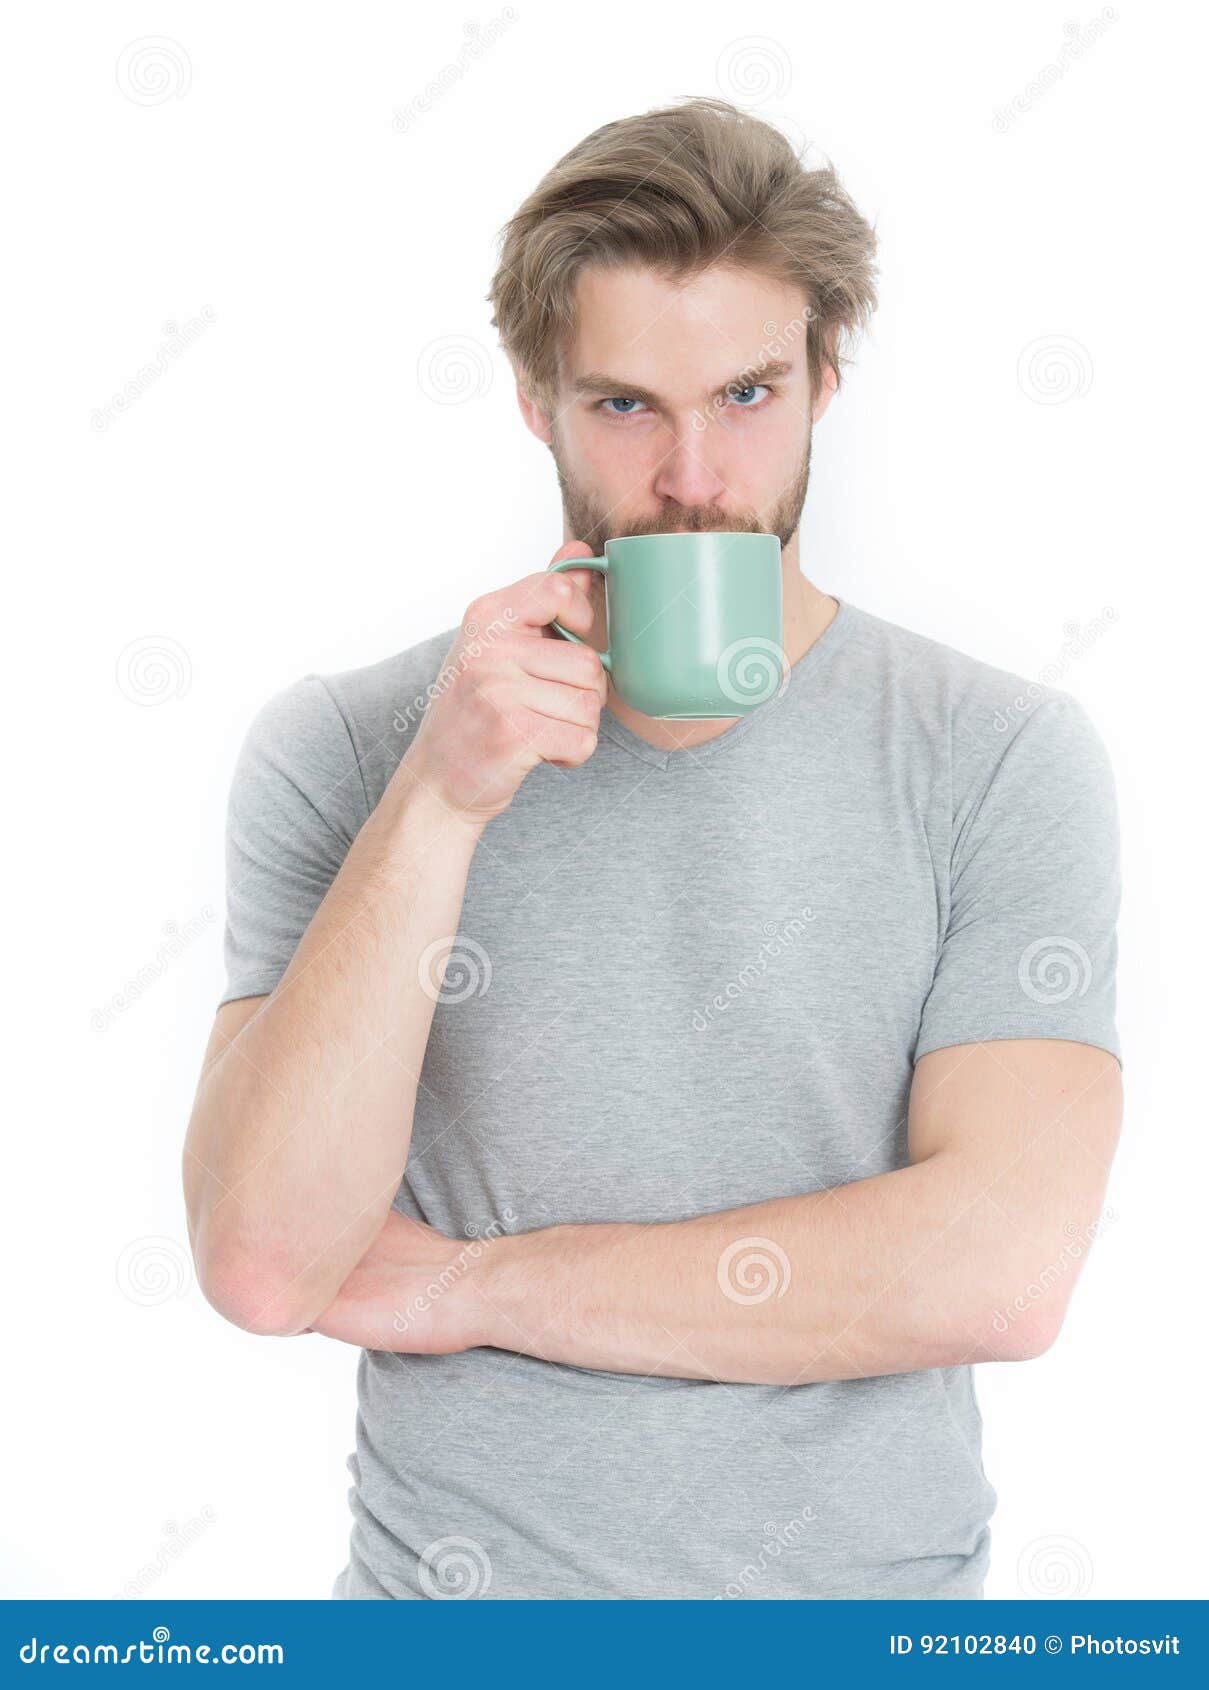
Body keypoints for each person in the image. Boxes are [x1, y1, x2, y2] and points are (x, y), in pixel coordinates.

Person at [183, 97, 1123, 1600]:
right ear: (534, 401)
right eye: (625, 405)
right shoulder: (350, 752)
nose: (694, 475)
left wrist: (478, 1285)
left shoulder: (996, 754)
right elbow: (265, 1262)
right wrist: (440, 802)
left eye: (746, 394)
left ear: (826, 377)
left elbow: (1000, 1268)